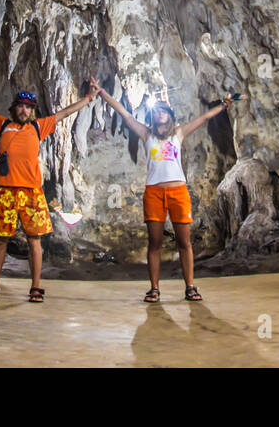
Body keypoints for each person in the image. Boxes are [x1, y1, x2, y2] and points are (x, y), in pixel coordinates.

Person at [0, 76, 96, 302]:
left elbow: (65, 113)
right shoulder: (2, 125)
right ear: (14, 108)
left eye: (28, 107)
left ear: (32, 110)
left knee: (34, 240)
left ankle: (36, 287)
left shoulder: (38, 127)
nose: (24, 110)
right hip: (5, 191)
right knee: (0, 240)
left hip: (31, 192)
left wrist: (88, 98)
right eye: (21, 106)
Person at [89, 77, 241, 302]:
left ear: (170, 116)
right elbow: (124, 113)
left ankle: (190, 286)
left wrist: (225, 104)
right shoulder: (146, 134)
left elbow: (204, 117)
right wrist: (102, 92)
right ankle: (154, 288)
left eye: (164, 111)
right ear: (153, 116)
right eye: (157, 111)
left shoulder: (178, 133)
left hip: (178, 191)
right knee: (155, 242)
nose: (161, 114)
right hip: (154, 193)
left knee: (184, 242)